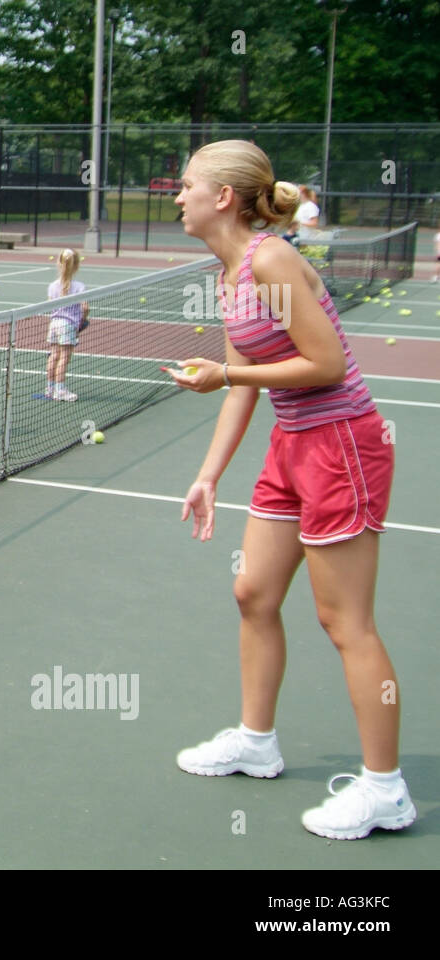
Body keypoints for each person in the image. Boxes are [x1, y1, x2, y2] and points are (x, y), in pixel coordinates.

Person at [169, 140, 415, 840]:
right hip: (292, 444)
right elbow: (239, 383)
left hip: (342, 445)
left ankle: (385, 788)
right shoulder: (228, 275)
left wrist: (229, 376)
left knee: (346, 623)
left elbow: (328, 364)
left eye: (187, 185)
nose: (177, 196)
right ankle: (256, 740)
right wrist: (208, 476)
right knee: (253, 592)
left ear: (223, 197)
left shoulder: (270, 260)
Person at [44, 249, 89, 401]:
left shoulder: (52, 286)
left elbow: (50, 306)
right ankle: (60, 390)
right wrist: (82, 321)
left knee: (53, 356)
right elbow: (85, 307)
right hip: (68, 326)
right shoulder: (79, 286)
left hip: (54, 324)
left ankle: (50, 389)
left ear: (59, 263)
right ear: (76, 266)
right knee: (64, 358)